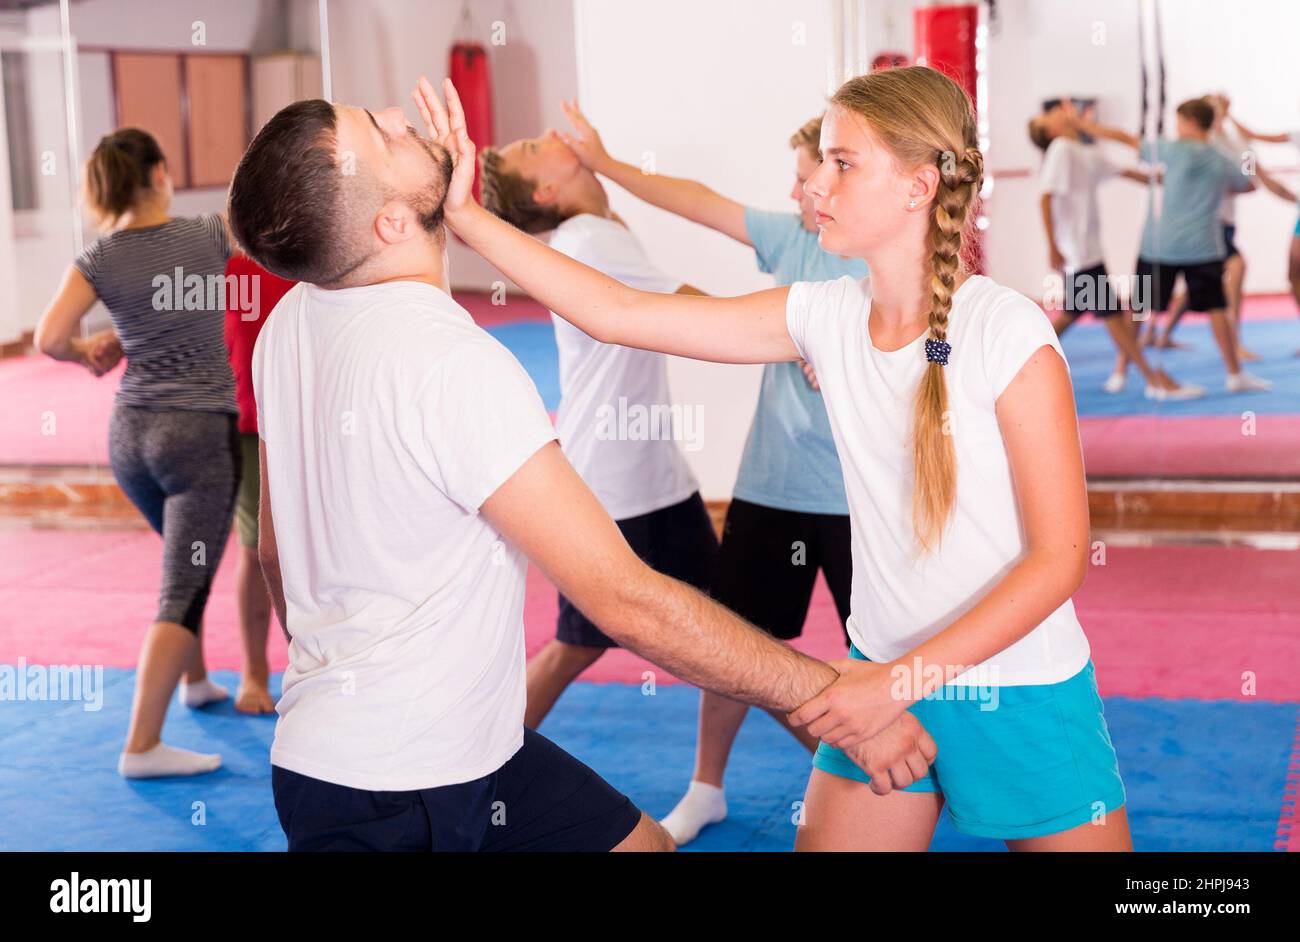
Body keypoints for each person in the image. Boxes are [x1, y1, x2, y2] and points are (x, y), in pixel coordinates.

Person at [418, 64, 1131, 851]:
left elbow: (1061, 559)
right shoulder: (821, 314)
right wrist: (469, 218)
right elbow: (619, 312)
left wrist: (898, 682)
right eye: (819, 159)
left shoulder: (1009, 332)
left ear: (919, 185)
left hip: (1018, 687)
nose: (814, 184)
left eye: (842, 163)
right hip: (883, 678)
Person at [227, 98, 934, 852]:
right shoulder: (450, 363)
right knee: (603, 628)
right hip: (401, 784)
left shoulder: (291, 322)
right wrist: (832, 694)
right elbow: (628, 602)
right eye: (383, 131)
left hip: (436, 751)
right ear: (393, 224)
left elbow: (275, 552)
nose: (404, 115)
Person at [555, 106, 865, 844]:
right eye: (798, 175)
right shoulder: (791, 237)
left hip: (861, 498)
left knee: (877, 652)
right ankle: (706, 785)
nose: (797, 192)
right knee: (738, 640)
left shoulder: (877, 262)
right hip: (770, 487)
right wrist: (608, 163)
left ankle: (892, 776)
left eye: (811, 176)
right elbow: (693, 201)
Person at [477, 131, 720, 732]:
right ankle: (477, 762)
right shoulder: (588, 240)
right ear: (547, 189)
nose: (544, 135)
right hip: (613, 487)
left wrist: (600, 157)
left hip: (651, 476)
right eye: (532, 146)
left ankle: (719, 783)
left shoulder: (599, 230)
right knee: (579, 644)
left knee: (730, 629)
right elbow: (695, 313)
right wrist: (800, 335)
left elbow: (608, 206)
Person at [34, 128, 239, 778]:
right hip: (198, 434)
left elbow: (47, 337)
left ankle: (195, 679)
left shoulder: (98, 255)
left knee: (187, 561)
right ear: (158, 174)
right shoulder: (207, 235)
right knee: (185, 580)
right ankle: (143, 745)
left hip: (130, 437)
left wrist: (91, 350)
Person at [1080, 99, 1270, 392]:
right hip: (1203, 247)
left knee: (1140, 309)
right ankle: (1234, 374)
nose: (1176, 127)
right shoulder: (1221, 158)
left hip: (1159, 247)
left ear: (1191, 122)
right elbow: (1249, 185)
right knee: (1217, 308)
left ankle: (1119, 373)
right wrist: (1213, 187)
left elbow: (1124, 137)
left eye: (1179, 121)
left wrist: (1082, 125)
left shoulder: (1172, 149)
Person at [1028, 101, 1201, 400]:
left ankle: (1018, 362)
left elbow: (1127, 172)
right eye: (1050, 114)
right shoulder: (1060, 149)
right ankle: (1153, 379)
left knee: (1073, 313)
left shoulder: (1083, 152)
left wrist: (1176, 178)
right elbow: (1045, 198)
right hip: (1078, 252)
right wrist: (1053, 246)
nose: (1059, 111)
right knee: (1113, 316)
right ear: (1051, 130)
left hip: (1086, 250)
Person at [223, 254, 297, 713]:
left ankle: (319, 664)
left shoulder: (313, 255)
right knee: (256, 548)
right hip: (251, 423)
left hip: (318, 417)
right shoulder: (224, 265)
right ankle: (254, 670)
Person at [1222, 100, 1300, 355]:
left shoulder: (1240, 148)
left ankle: (1234, 345)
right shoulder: (1208, 145)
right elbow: (1253, 168)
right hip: (1209, 225)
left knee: (1232, 270)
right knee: (1292, 272)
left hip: (1220, 225)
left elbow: (1253, 175)